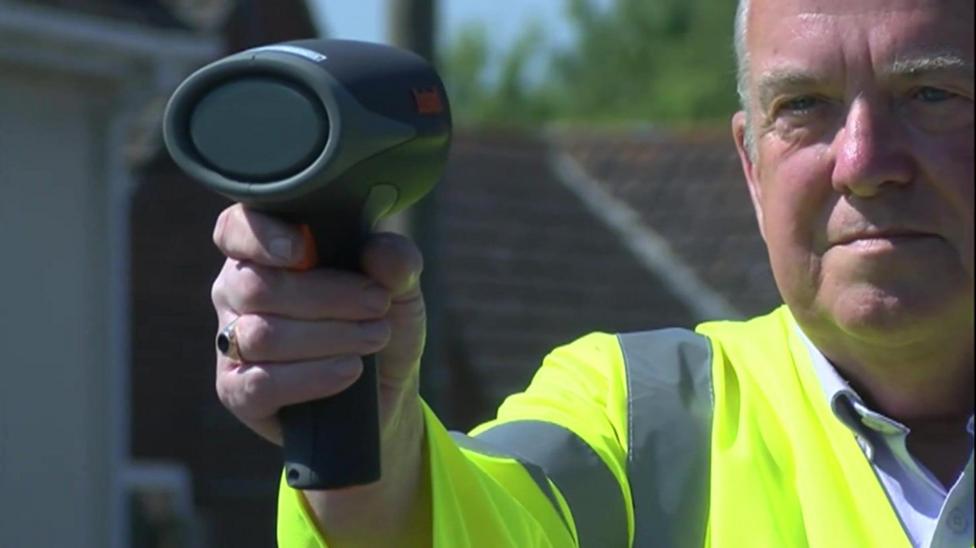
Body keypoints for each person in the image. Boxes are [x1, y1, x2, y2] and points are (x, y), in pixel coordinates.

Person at [207, 0, 974, 545]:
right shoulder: (638, 416)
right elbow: (471, 526)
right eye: (805, 105)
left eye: (932, 95)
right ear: (751, 163)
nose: (864, 163)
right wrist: (368, 439)